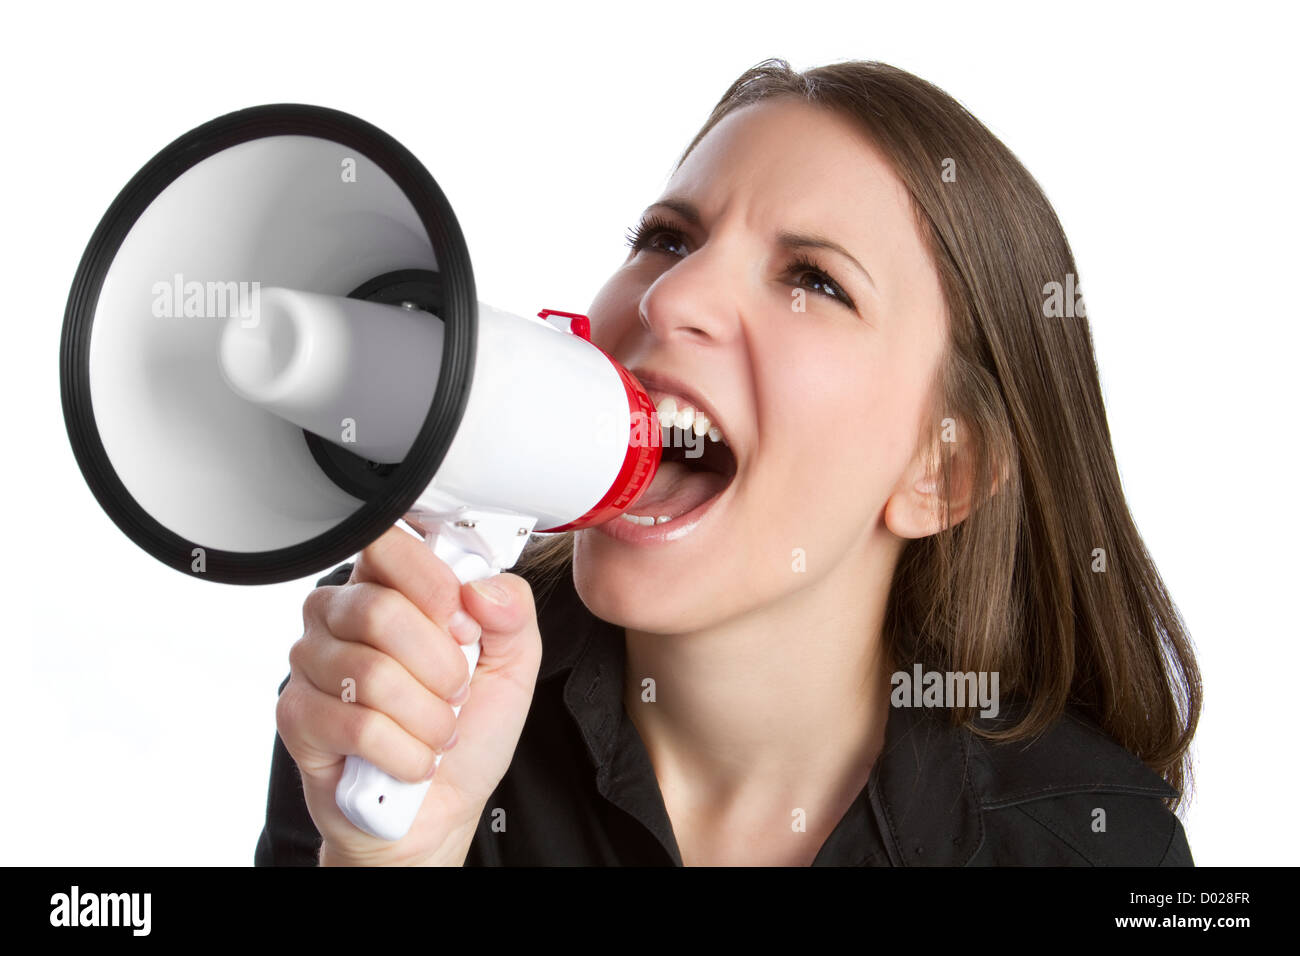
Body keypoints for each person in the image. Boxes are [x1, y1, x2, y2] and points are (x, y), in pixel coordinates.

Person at [255, 58, 1200, 867]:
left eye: (813, 281)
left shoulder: (1091, 843)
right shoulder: (405, 678)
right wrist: (388, 856)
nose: (672, 296)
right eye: (668, 238)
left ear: (940, 472)